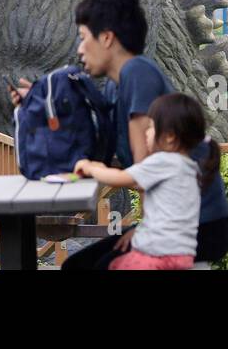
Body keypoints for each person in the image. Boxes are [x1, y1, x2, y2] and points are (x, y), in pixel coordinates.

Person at [8, 0, 228, 267]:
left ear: (106, 38)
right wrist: (38, 105)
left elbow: (143, 172)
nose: (79, 50)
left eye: (83, 38)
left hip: (198, 228)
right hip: (170, 223)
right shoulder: (116, 87)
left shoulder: (138, 73)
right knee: (75, 266)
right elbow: (88, 139)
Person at [73, 93, 204, 269]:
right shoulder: (189, 167)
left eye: (150, 127)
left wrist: (90, 168)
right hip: (181, 255)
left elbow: (122, 179)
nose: (146, 132)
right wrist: (140, 232)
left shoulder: (164, 161)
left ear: (170, 136)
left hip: (157, 254)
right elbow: (168, 216)